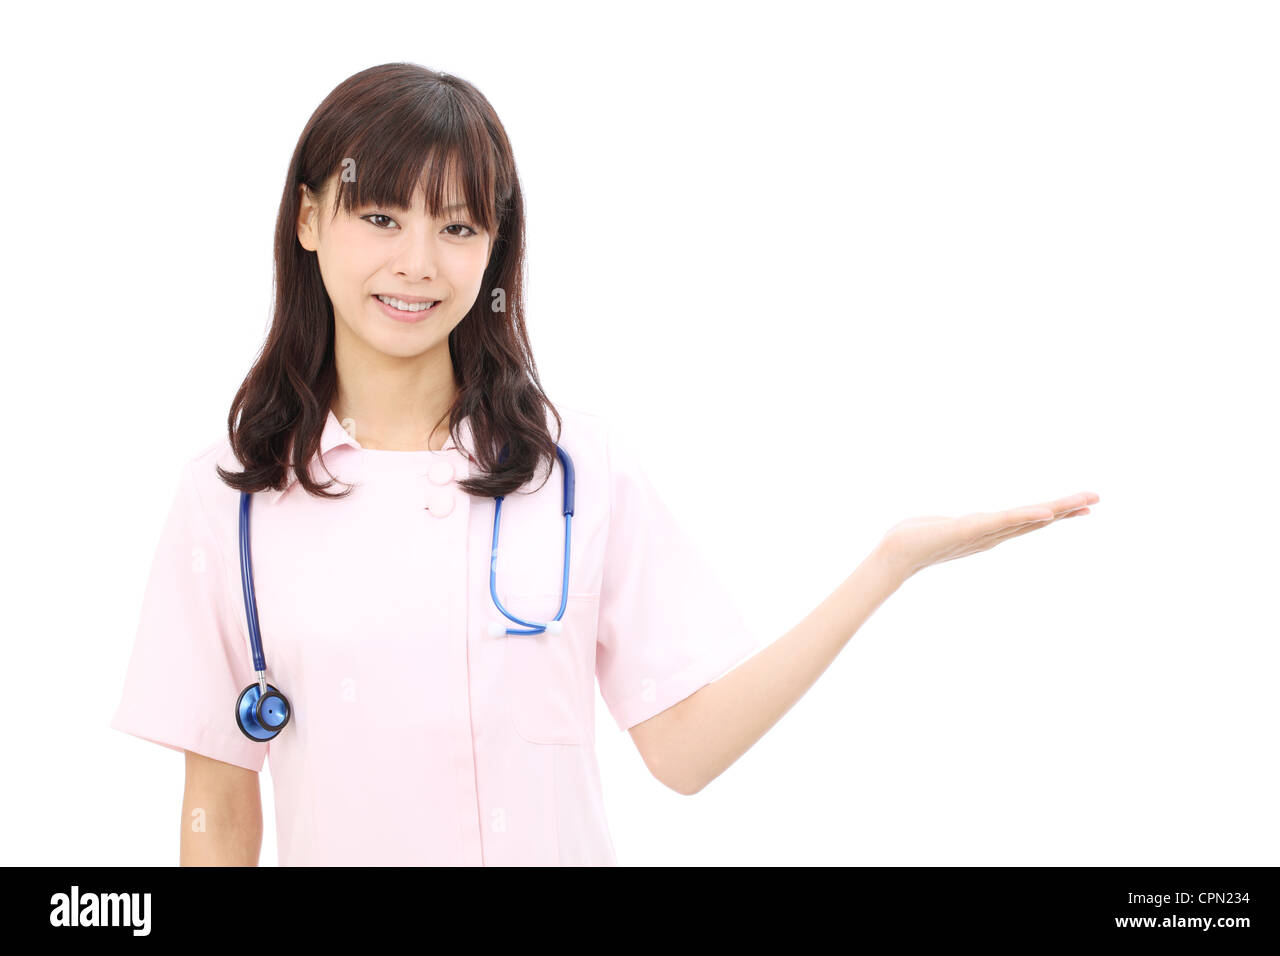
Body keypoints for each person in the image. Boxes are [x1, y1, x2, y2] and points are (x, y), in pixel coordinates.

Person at [110, 62, 1099, 867]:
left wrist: (888, 563)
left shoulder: (574, 470)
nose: (417, 262)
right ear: (309, 218)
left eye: (457, 227)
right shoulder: (229, 499)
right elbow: (220, 817)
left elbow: (684, 749)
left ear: (494, 252)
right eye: (379, 217)